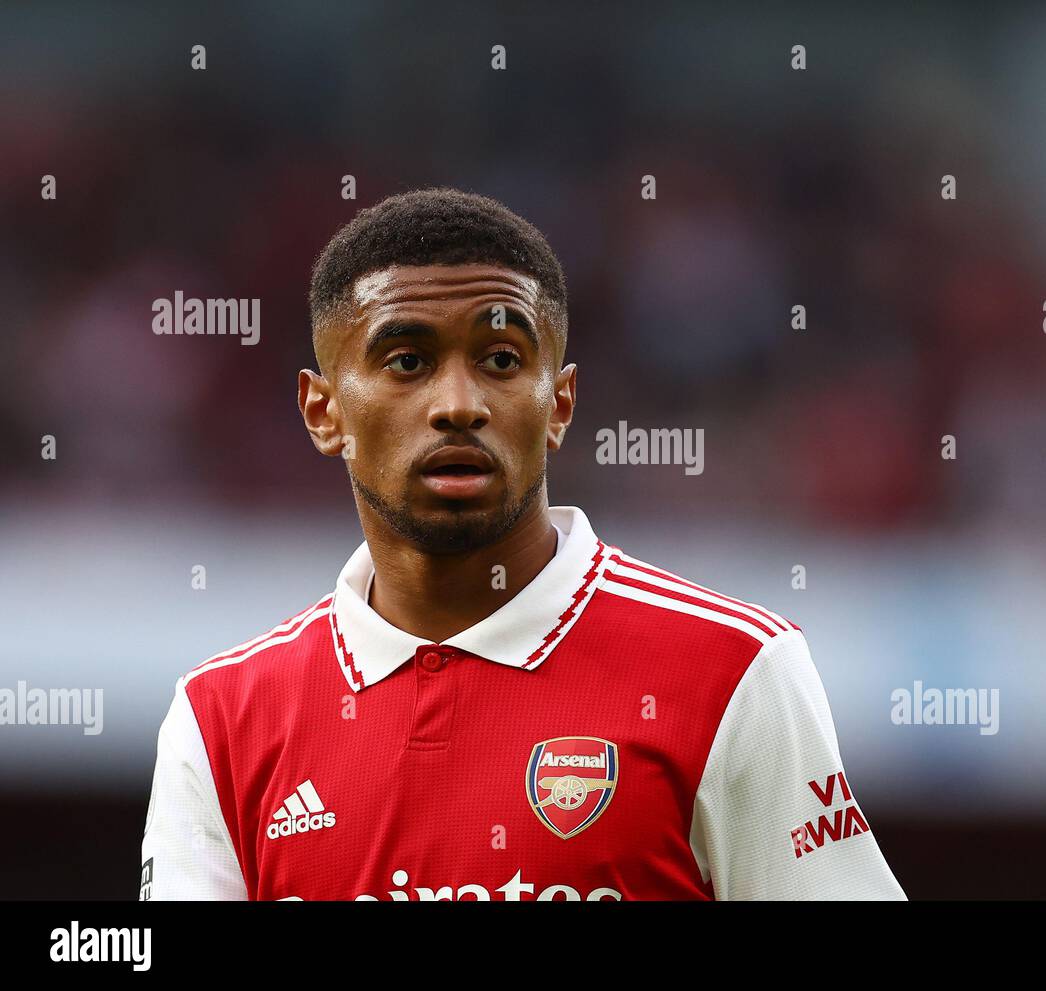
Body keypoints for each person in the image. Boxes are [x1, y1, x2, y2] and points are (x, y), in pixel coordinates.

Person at [139, 187, 907, 901]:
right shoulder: (223, 719)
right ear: (323, 410)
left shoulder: (735, 671)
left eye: (501, 360)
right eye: (406, 361)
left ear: (559, 403)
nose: (458, 404)